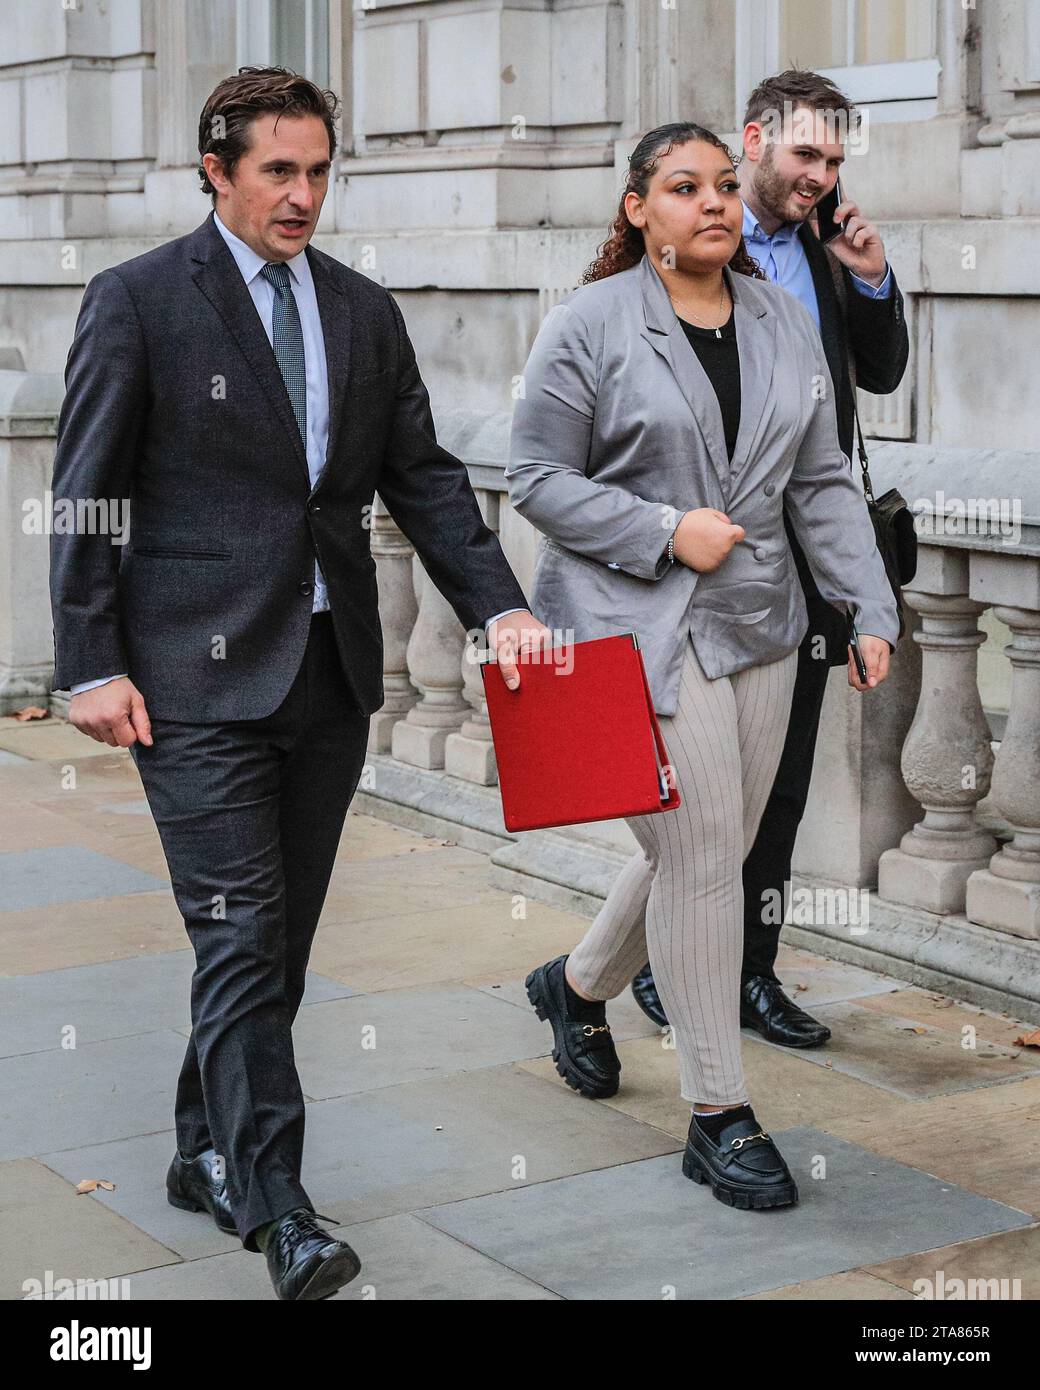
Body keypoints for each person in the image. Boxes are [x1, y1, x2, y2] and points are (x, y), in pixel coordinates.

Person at [49, 65, 548, 1299]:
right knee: (240, 938)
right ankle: (282, 1209)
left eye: (319, 170)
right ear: (214, 171)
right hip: (189, 680)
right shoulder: (139, 301)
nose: (303, 195)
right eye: (278, 169)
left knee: (268, 951)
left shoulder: (362, 312)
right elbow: (88, 491)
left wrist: (503, 608)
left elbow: (423, 478)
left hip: (325, 676)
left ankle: (200, 1144)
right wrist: (87, 660)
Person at [507, 120, 899, 1210]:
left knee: (709, 844)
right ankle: (717, 1112)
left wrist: (868, 604)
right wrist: (660, 529)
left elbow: (820, 483)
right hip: (631, 633)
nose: (712, 203)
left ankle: (575, 984)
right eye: (683, 188)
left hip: (757, 627)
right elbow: (533, 475)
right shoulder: (588, 324)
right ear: (638, 208)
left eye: (723, 185)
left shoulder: (780, 319)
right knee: (700, 861)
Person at [630, 70, 909, 1046]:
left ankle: (745, 970)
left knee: (776, 786)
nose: (817, 175)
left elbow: (876, 375)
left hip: (807, 559)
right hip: (704, 558)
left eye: (832, 160)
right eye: (802, 154)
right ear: (752, 140)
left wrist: (868, 275)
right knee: (696, 790)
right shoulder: (691, 245)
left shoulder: (827, 252)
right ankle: (640, 965)